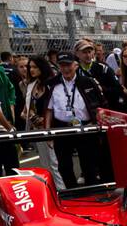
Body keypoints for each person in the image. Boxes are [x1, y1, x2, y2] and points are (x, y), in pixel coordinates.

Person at [44, 52, 102, 189]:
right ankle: (72, 193)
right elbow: (48, 110)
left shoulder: (88, 82)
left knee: (89, 164)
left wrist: (97, 124)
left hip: (85, 127)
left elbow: (100, 105)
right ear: (58, 67)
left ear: (75, 65)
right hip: (62, 128)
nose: (65, 69)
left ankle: (91, 192)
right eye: (62, 65)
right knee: (64, 165)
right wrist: (48, 132)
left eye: (68, 65)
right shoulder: (52, 84)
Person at [23, 55, 64, 191]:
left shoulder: (52, 84)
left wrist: (44, 120)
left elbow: (58, 107)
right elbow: (25, 111)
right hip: (37, 129)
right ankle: (52, 191)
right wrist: (32, 117)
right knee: (45, 163)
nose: (31, 70)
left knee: (55, 162)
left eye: (35, 67)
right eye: (30, 67)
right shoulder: (31, 85)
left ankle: (62, 191)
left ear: (42, 67)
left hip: (51, 128)